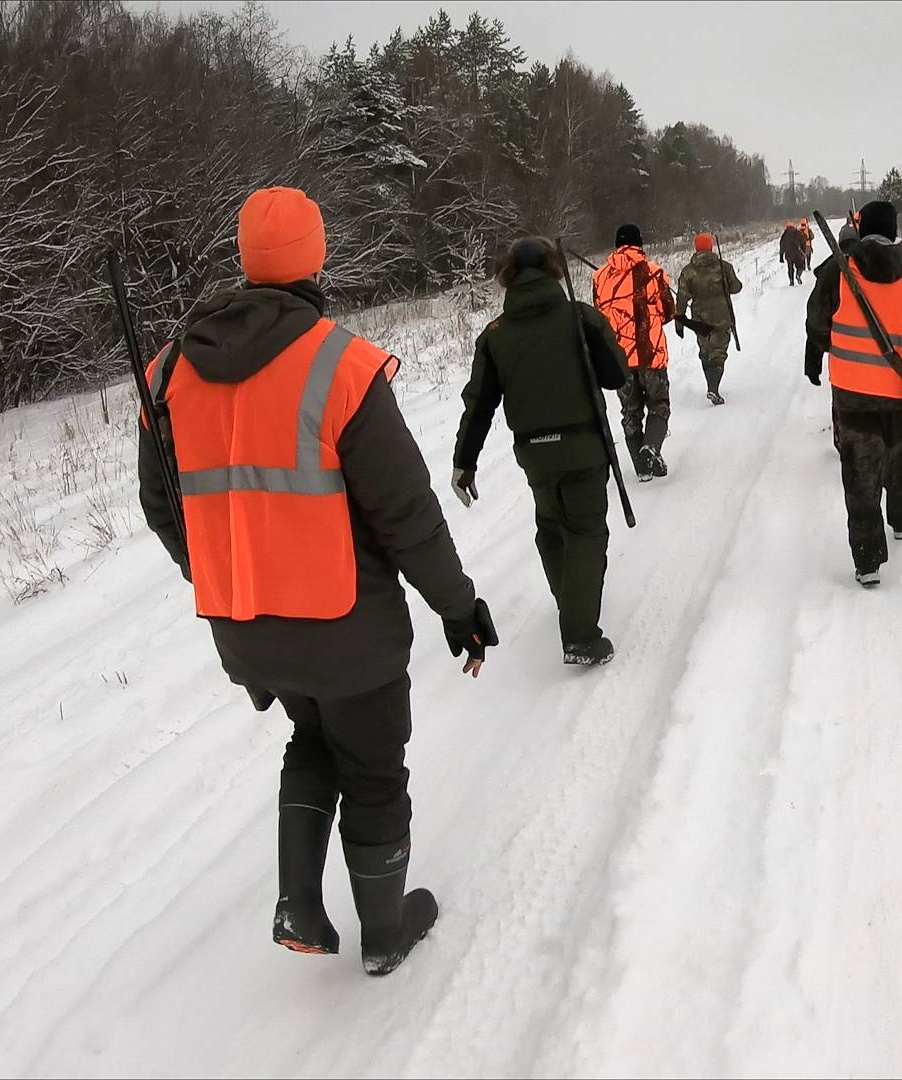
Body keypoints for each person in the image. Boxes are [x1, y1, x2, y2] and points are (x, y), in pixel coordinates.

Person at [137, 186, 497, 977]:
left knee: (312, 737)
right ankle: (385, 931)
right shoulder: (341, 365)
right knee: (371, 766)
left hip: (247, 631)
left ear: (244, 259)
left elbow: (166, 510)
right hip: (348, 633)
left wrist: (228, 578)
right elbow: (406, 513)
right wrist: (457, 604)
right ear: (317, 257)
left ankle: (297, 901)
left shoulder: (166, 375)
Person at [451, 238, 624, 667]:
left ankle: (571, 601)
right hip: (584, 448)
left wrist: (464, 462)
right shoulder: (578, 317)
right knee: (586, 533)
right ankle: (581, 635)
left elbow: (479, 404)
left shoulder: (495, 335)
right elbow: (616, 375)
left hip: (534, 455)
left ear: (508, 275)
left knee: (551, 527)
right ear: (554, 270)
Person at [804, 199, 902, 588]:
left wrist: (816, 360)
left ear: (861, 231)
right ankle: (901, 522)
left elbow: (816, 325)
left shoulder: (837, 273)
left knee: (860, 480)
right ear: (895, 231)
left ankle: (869, 563)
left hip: (854, 401)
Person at [592, 224, 677, 481]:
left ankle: (641, 468)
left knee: (630, 411)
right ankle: (651, 447)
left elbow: (599, 317)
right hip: (650, 355)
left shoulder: (599, 277)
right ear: (640, 243)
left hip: (618, 358)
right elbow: (667, 313)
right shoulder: (653, 273)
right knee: (658, 405)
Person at [674, 232, 744, 405]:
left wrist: (679, 323)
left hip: (699, 319)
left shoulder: (688, 271)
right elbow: (736, 288)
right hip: (721, 317)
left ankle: (711, 386)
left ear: (696, 248)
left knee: (705, 352)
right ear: (711, 246)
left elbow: (682, 298)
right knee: (718, 353)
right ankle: (713, 389)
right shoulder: (723, 266)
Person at [779, 221, 806, 286]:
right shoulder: (798, 232)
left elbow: (782, 245)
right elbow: (803, 242)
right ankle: (798, 275)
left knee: (790, 268)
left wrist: (781, 256)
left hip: (788, 255)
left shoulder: (784, 235)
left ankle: (791, 281)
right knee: (800, 267)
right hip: (798, 254)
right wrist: (803, 252)